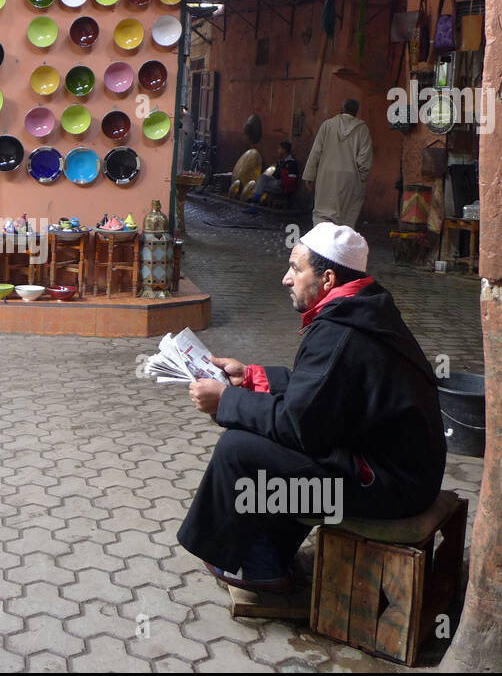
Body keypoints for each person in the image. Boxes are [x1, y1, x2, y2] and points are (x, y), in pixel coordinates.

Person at [176, 223, 445, 593]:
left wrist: (226, 401)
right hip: (400, 473)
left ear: (328, 278)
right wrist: (254, 377)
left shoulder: (341, 332)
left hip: (389, 487)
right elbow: (323, 390)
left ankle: (261, 570)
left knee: (239, 450)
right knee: (266, 443)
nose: (287, 279)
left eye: (296, 269)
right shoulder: (362, 307)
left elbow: (299, 426)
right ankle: (268, 556)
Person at [302, 97, 373, 229]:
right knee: (345, 216)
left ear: (341, 109)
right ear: (356, 112)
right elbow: (364, 159)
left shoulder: (327, 125)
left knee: (322, 213)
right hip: (350, 178)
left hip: (326, 176)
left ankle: (322, 243)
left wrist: (309, 176)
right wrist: (361, 180)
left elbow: (315, 152)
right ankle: (339, 245)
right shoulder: (362, 130)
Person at [246, 141, 300, 208]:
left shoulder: (291, 163)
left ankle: (254, 205)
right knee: (262, 178)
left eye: (279, 148)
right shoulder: (281, 161)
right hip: (276, 182)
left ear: (284, 150)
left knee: (260, 185)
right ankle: (255, 201)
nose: (278, 150)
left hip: (282, 185)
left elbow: (292, 179)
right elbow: (275, 175)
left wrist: (283, 184)